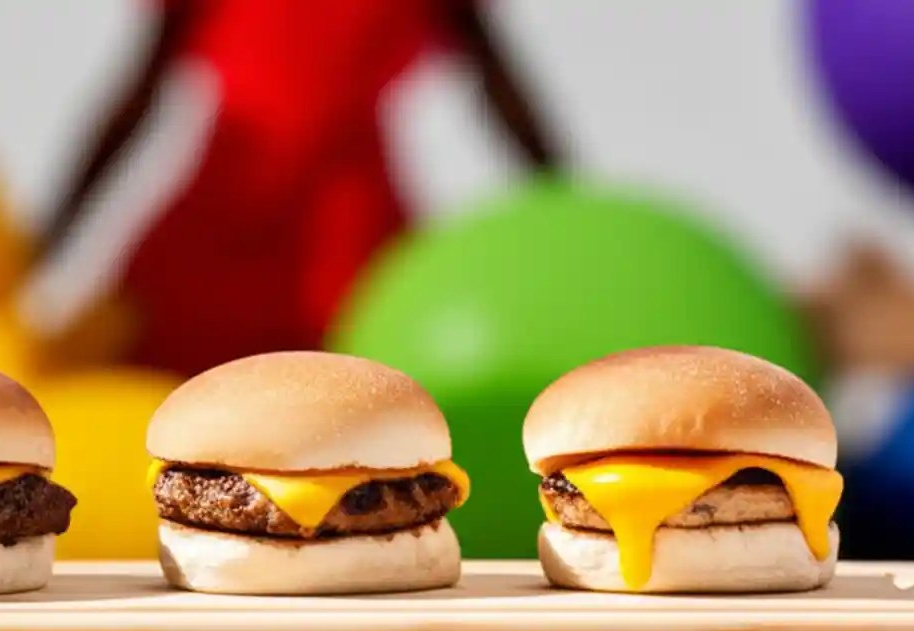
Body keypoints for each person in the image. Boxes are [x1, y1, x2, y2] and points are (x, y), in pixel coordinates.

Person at [38, 0, 562, 377]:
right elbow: (136, 93)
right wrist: (48, 237)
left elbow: (496, 77)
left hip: (349, 245)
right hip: (220, 233)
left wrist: (574, 214)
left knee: (352, 437)